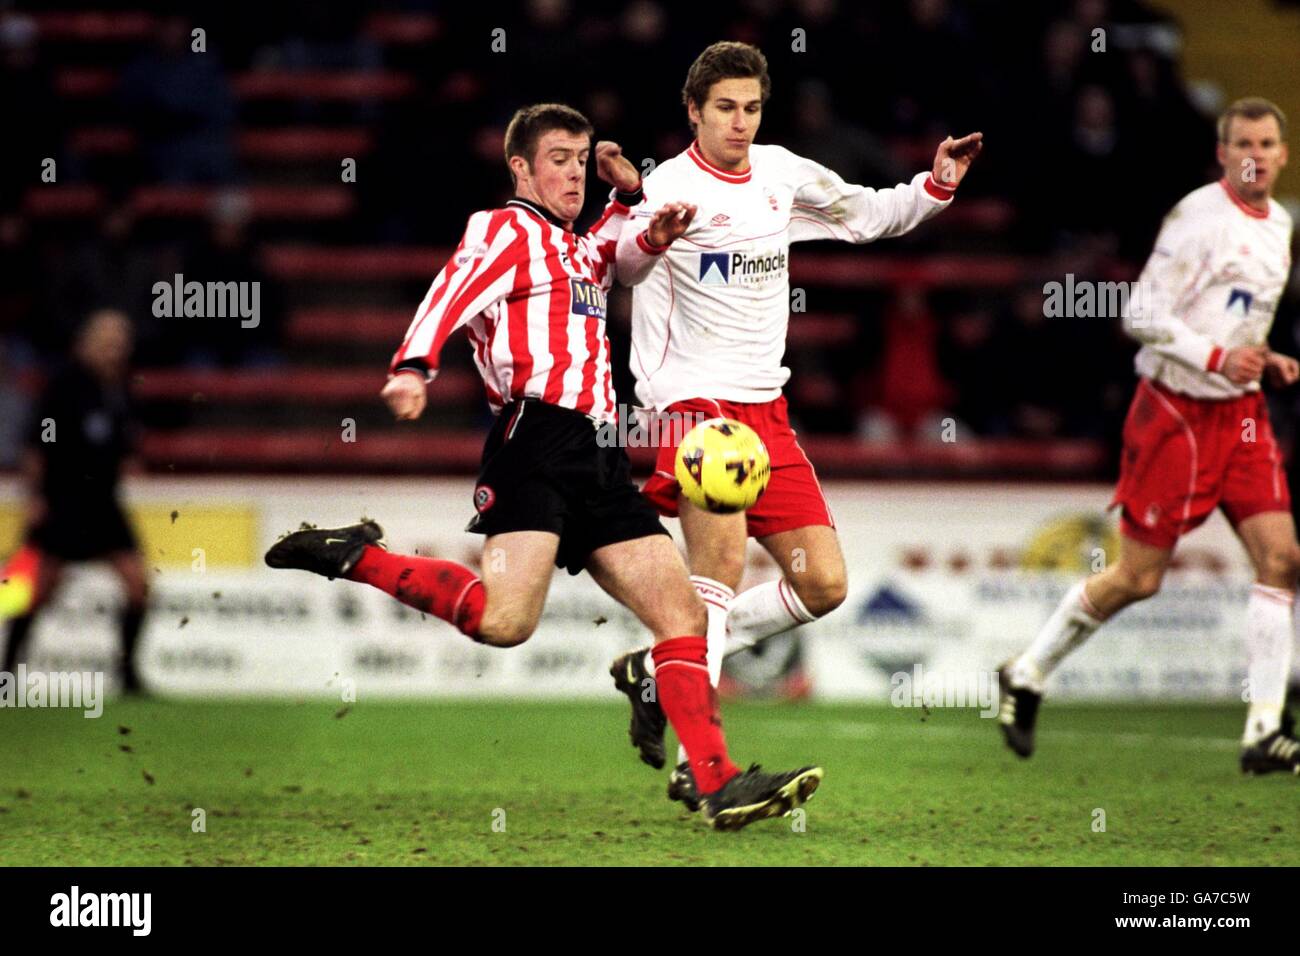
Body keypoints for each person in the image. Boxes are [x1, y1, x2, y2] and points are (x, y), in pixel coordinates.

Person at [264, 103, 823, 829]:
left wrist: (638, 208)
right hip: (533, 441)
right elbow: (452, 289)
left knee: (680, 613)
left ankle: (717, 784)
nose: (573, 172)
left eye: (581, 159)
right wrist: (413, 366)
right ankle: (356, 558)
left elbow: (621, 247)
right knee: (504, 623)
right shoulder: (501, 230)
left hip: (598, 451)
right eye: (558, 158)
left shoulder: (579, 247)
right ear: (521, 167)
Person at [606, 41, 982, 809]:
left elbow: (868, 215)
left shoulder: (781, 173)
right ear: (693, 112)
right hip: (692, 409)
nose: (739, 123)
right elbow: (618, 266)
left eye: (750, 108)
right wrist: (652, 239)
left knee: (824, 584)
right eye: (724, 109)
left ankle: (662, 668)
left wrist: (935, 186)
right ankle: (703, 767)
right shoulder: (667, 187)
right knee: (716, 577)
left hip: (766, 413)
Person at [999, 97, 1300, 776]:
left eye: (1267, 143)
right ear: (1222, 154)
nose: (1255, 155)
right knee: (1137, 578)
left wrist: (1262, 355)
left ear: (1283, 153)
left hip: (1242, 415)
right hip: (1176, 414)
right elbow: (1141, 312)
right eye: (1242, 143)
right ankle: (1027, 671)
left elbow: (1232, 314)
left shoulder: (1280, 223)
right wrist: (1220, 359)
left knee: (1281, 560)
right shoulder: (1199, 219)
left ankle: (1264, 730)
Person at [2, 309, 150, 693]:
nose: (115, 350)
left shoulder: (119, 390)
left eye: (120, 343)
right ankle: (7, 672)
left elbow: (123, 442)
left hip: (103, 503)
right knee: (35, 590)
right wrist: (37, 497)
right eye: (107, 342)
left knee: (138, 585)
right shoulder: (64, 388)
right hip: (63, 501)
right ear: (86, 343)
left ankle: (128, 675)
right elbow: (38, 448)